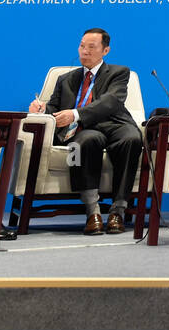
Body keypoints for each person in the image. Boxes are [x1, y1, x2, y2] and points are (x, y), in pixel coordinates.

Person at [31, 28, 142, 235]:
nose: (85, 51)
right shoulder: (65, 79)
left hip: (114, 124)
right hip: (84, 130)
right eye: (82, 46)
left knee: (133, 138)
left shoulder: (119, 73)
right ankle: (93, 213)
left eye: (92, 47)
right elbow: (54, 108)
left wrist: (75, 114)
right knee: (85, 142)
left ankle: (118, 211)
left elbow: (110, 102)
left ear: (105, 50)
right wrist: (43, 109)